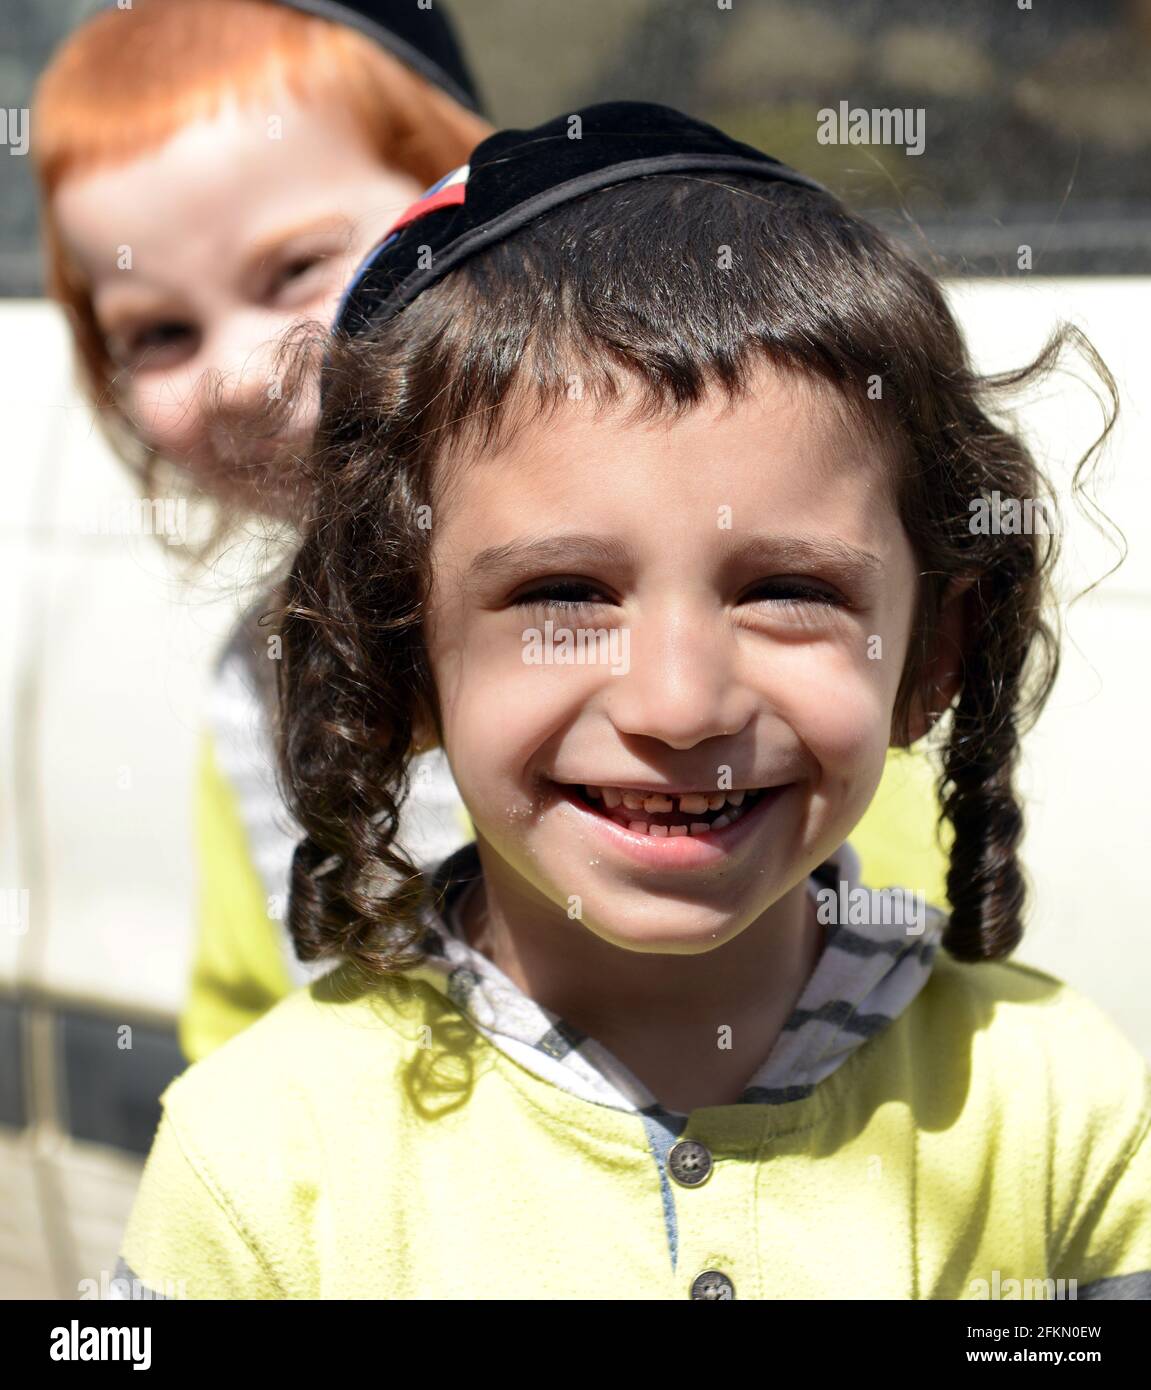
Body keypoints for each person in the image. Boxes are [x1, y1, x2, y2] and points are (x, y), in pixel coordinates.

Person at [110, 102, 1149, 1300]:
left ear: (930, 659)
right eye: (563, 594)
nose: (679, 703)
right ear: (396, 655)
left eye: (786, 590)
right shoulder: (261, 1164)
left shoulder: (1060, 1111)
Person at [31, 0, 492, 1059]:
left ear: (475, 209)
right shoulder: (258, 685)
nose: (239, 377)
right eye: (159, 331)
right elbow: (245, 1024)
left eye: (291, 271)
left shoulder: (668, 568)